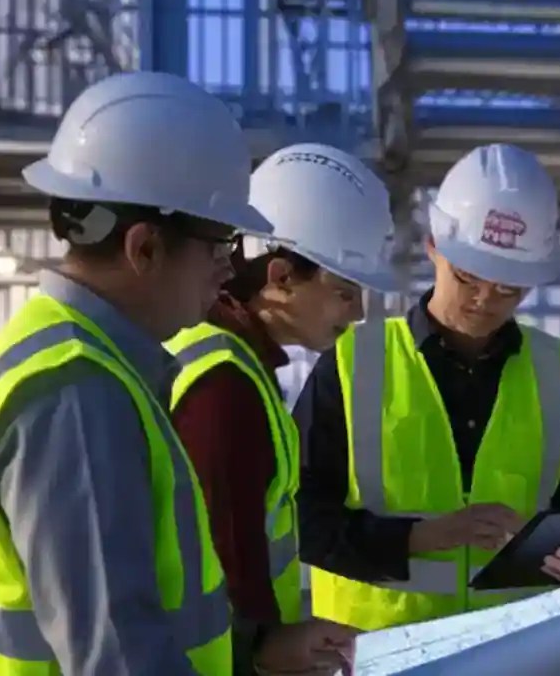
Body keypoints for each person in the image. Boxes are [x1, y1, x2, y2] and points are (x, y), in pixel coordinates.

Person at [0, 71, 328, 675]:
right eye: (219, 243)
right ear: (144, 249)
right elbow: (118, 657)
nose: (229, 269)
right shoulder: (76, 394)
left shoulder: (82, 361)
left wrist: (257, 650)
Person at [295, 143, 560, 632]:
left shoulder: (559, 373)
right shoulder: (351, 364)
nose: (484, 300)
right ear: (434, 246)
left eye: (508, 289)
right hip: (380, 655)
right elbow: (300, 520)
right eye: (467, 278)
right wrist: (419, 538)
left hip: (516, 655)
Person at [167, 143, 401, 674]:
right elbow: (228, 563)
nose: (359, 313)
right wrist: (267, 649)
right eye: (345, 292)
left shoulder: (229, 364)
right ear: (280, 278)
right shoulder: (224, 388)